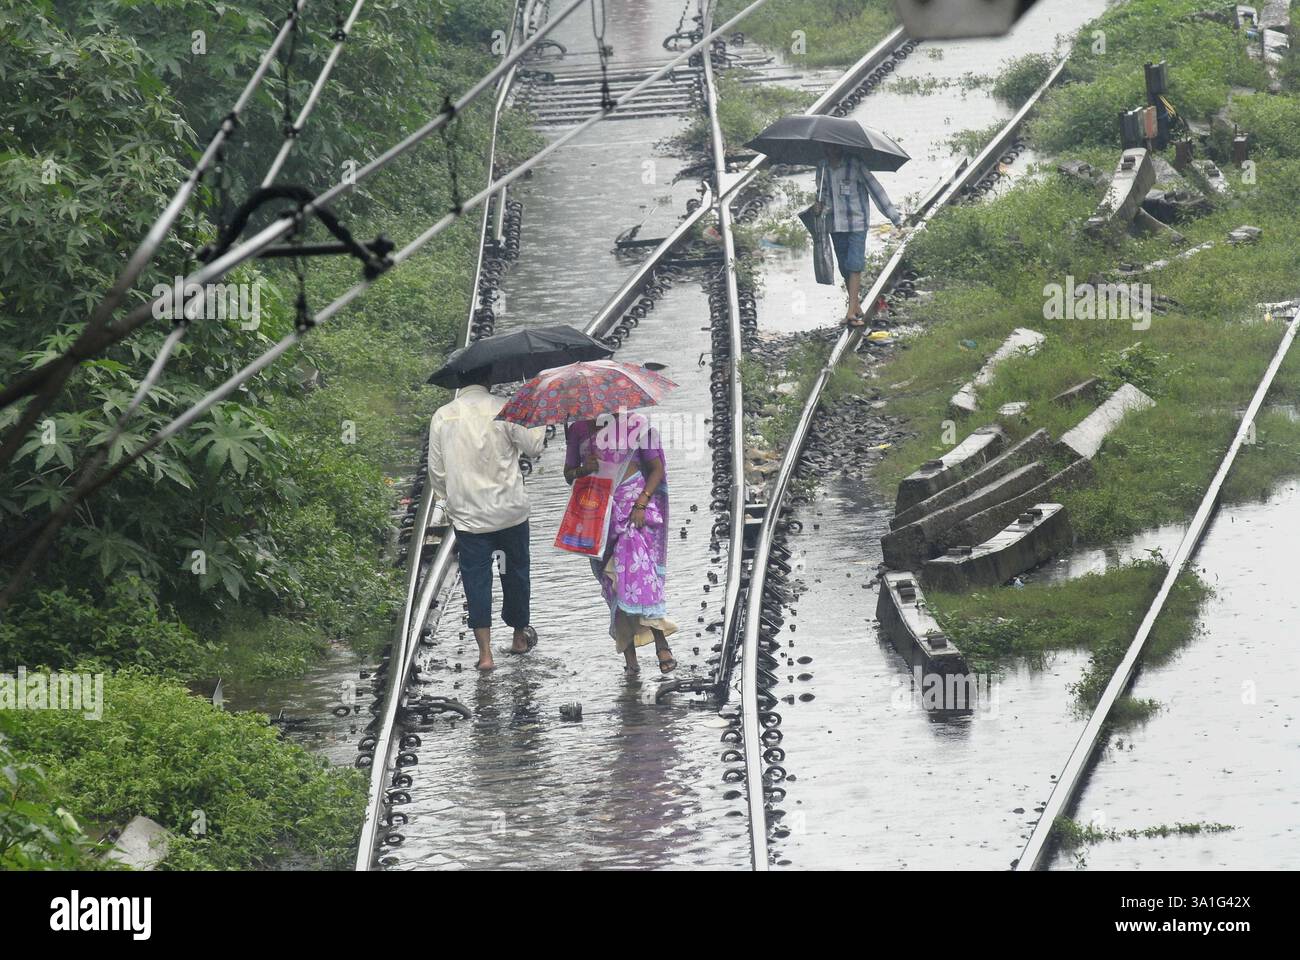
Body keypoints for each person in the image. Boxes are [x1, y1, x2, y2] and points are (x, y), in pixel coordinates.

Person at [428, 365, 546, 671]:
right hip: (510, 513)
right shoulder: (506, 408)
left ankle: (485, 654)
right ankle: (519, 636)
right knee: (516, 573)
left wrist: (451, 500)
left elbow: (437, 473)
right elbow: (533, 448)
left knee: (476, 580)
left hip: (470, 519)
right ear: (488, 378)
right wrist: (536, 410)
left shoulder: (443, 416)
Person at [563, 409, 678, 675]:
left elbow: (656, 468)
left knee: (639, 577)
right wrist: (585, 468)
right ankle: (630, 658)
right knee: (614, 585)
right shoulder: (580, 430)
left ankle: (662, 645)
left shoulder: (637, 426)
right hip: (599, 515)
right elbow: (569, 474)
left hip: (633, 512)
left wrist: (641, 503)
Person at [814, 143, 905, 327]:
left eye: (834, 146)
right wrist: (818, 206)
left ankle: (850, 312)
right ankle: (856, 307)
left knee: (855, 264)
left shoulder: (854, 164)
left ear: (839, 147)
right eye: (827, 147)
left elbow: (875, 189)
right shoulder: (822, 167)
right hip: (835, 224)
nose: (830, 149)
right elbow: (822, 194)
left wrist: (894, 218)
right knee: (844, 267)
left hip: (856, 222)